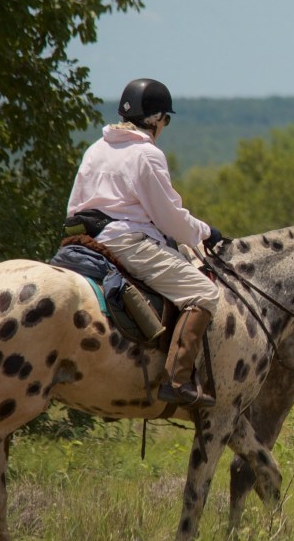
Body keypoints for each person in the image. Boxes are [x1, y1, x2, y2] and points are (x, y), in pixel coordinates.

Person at [66, 78, 224, 409]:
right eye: (166, 118)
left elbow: (75, 205)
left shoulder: (96, 148)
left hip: (84, 240)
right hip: (127, 243)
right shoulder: (147, 154)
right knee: (205, 293)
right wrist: (205, 233)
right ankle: (177, 381)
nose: (165, 125)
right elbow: (169, 217)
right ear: (154, 119)